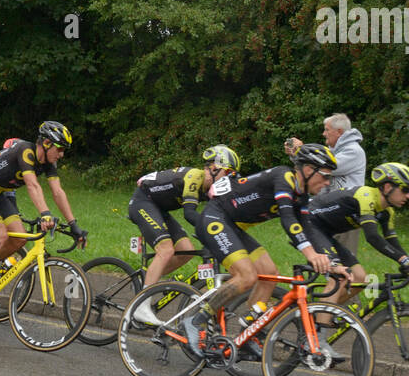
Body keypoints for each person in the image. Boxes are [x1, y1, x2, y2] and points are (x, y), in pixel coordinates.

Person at [187, 143, 348, 348]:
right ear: (308, 170)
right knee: (246, 276)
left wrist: (332, 262)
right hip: (214, 217)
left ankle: (249, 333)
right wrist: (310, 254)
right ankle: (195, 321)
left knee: (269, 273)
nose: (327, 182)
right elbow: (288, 219)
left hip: (232, 224)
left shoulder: (302, 195)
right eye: (325, 175)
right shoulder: (283, 177)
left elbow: (309, 228)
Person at [0, 123, 86, 311]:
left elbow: (58, 192)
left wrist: (73, 224)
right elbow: (32, 185)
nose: (61, 155)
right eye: (59, 149)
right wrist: (45, 214)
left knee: (19, 238)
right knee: (0, 235)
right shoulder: (25, 151)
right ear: (45, 143)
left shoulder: (48, 163)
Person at [128, 145, 241, 322]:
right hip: (142, 202)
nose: (227, 180)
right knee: (166, 250)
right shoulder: (195, 176)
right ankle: (141, 305)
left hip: (159, 209)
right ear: (213, 168)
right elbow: (189, 214)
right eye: (226, 174)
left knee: (186, 250)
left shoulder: (211, 189)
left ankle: (150, 280)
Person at [306, 162, 409, 306]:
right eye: (405, 190)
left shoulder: (387, 212)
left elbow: (392, 242)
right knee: (339, 276)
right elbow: (372, 237)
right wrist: (404, 261)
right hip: (308, 223)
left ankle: (319, 314)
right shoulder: (366, 196)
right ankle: (319, 324)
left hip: (325, 232)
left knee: (360, 278)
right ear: (388, 187)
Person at [287, 113, 365, 258]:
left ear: (339, 132)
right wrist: (295, 154)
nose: (324, 134)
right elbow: (312, 167)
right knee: (325, 254)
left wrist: (301, 150)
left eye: (327, 130)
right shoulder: (337, 150)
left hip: (347, 211)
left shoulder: (353, 151)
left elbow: (325, 166)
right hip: (332, 209)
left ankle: (348, 278)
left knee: (345, 258)